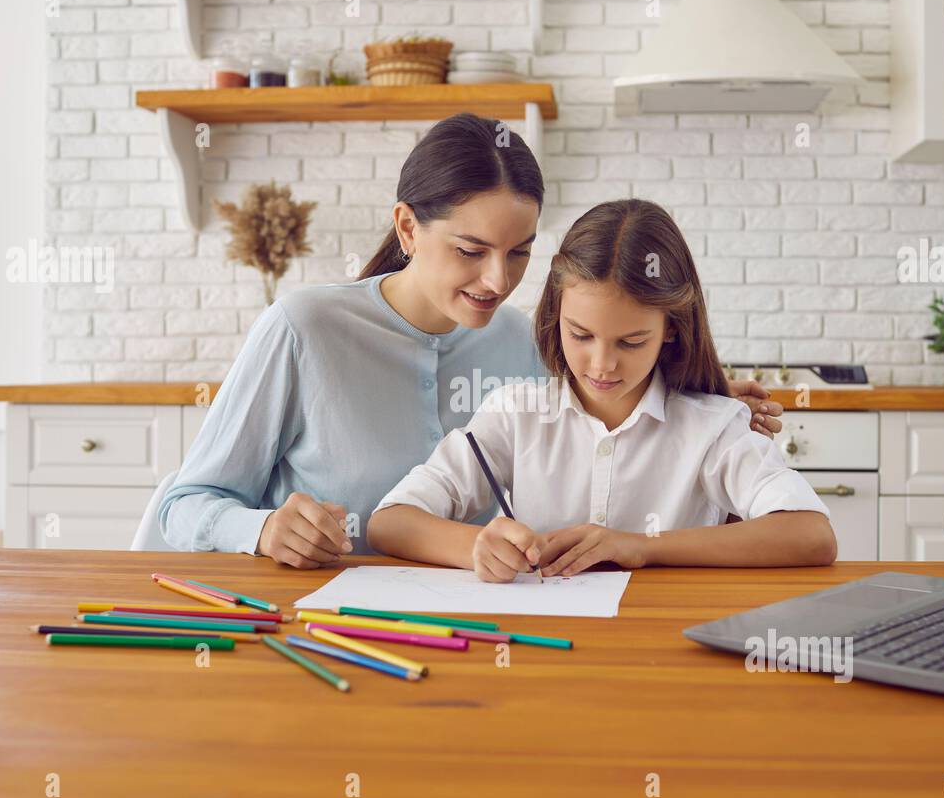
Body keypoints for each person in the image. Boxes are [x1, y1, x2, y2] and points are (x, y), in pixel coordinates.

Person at [160, 115, 784, 568]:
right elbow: (185, 503)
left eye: (519, 253)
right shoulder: (303, 329)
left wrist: (706, 396)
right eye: (471, 251)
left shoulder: (528, 340)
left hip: (485, 629)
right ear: (407, 227)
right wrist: (262, 529)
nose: (498, 280)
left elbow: (604, 386)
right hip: (327, 625)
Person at [368, 200, 836, 582]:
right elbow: (390, 522)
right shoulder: (515, 414)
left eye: (631, 342)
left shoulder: (713, 426)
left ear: (671, 329)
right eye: (580, 334)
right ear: (557, 316)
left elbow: (812, 534)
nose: (601, 364)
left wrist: (640, 547)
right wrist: (474, 546)